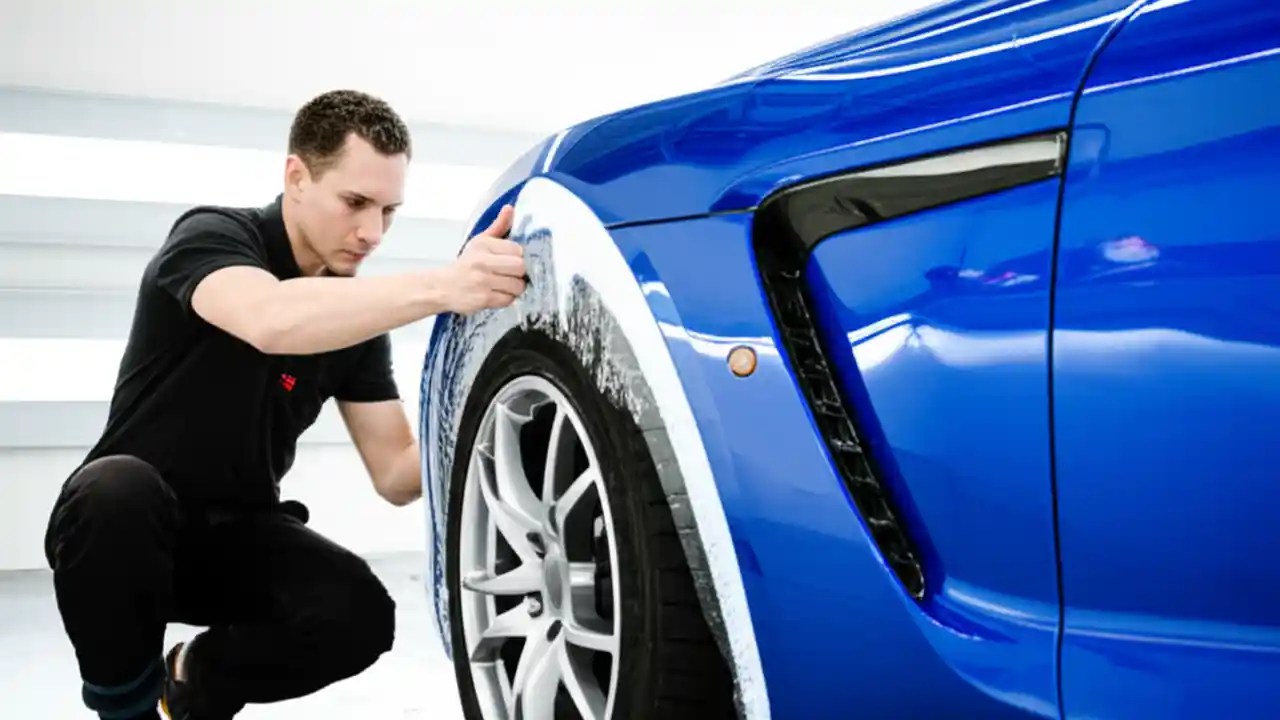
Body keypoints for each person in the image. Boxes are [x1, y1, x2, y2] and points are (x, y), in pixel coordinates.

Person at [41, 89, 527, 719]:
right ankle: (127, 711)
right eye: (355, 202)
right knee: (116, 489)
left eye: (389, 210)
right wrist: (442, 285)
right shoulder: (212, 235)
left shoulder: (355, 319)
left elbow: (398, 474)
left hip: (236, 540)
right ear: (296, 176)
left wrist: (498, 415)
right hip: (121, 530)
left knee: (360, 613)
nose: (372, 232)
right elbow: (270, 318)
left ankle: (195, 679)